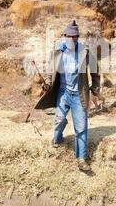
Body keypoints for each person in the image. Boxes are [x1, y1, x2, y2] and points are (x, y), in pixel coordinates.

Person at [35, 20, 100, 171]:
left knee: (81, 127)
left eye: (74, 36)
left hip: (79, 94)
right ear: (64, 36)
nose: (71, 39)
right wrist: (47, 84)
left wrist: (95, 87)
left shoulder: (86, 53)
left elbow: (96, 73)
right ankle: (57, 138)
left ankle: (81, 159)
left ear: (78, 37)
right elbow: (50, 73)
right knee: (59, 120)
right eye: (68, 36)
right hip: (63, 92)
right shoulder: (57, 53)